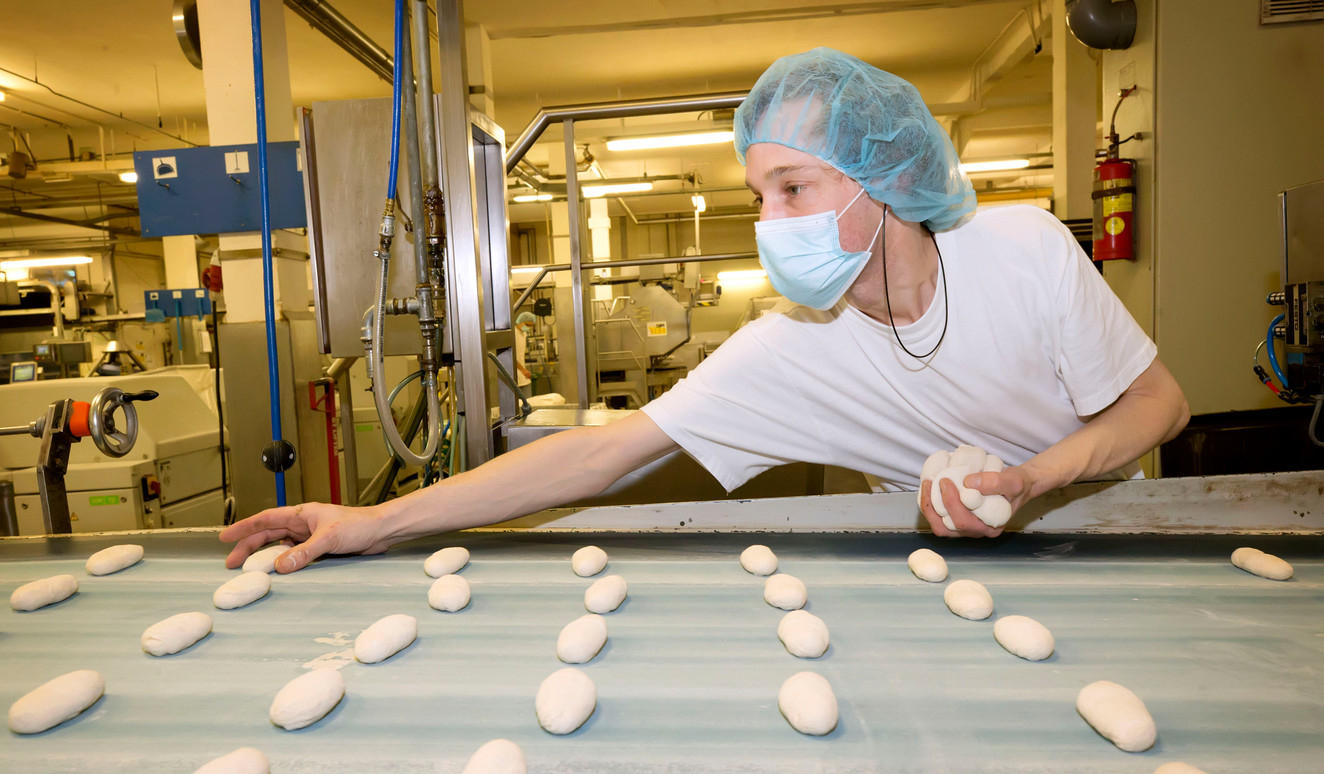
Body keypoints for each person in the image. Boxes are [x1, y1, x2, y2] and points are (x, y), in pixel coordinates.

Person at [221, 47, 1188, 573]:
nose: (770, 223)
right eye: (759, 194)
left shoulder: (1021, 251)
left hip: (1121, 540)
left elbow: (1157, 408)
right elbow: (602, 455)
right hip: (951, 576)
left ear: (882, 182)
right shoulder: (792, 350)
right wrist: (373, 523)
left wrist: (1027, 481)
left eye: (794, 189)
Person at [514, 311, 535, 389]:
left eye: (531, 326)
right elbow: (511, 356)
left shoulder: (524, 334)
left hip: (523, 376)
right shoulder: (513, 334)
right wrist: (522, 370)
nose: (528, 327)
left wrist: (524, 370)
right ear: (520, 321)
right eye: (527, 325)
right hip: (515, 375)